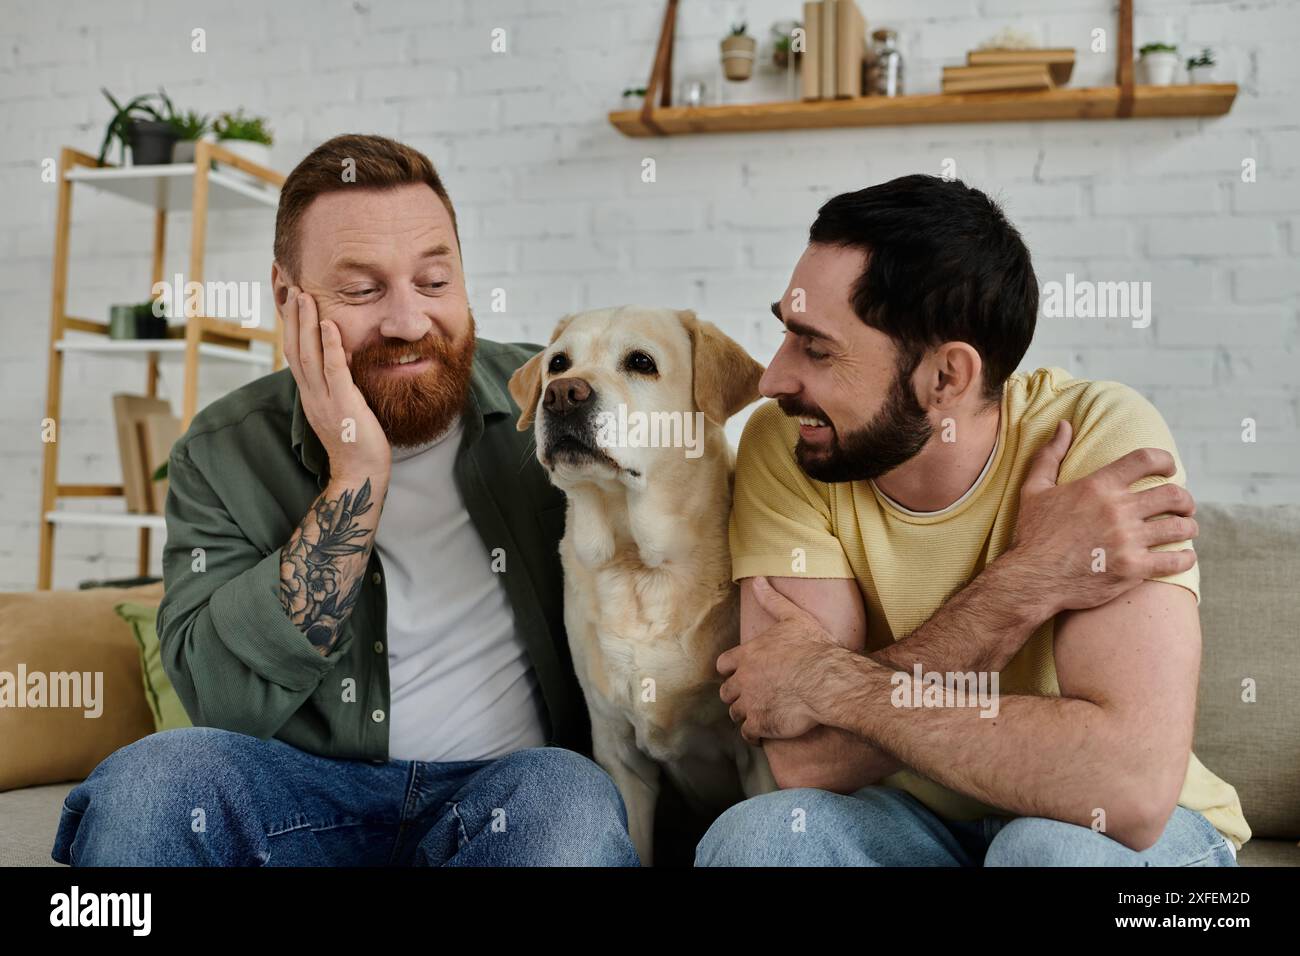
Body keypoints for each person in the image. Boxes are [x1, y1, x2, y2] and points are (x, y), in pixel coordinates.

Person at [52, 134, 637, 867]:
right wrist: (356, 475)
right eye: (361, 291)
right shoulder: (221, 449)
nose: (407, 321)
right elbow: (223, 703)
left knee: (569, 800)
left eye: (433, 282)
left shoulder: (549, 407)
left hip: (507, 792)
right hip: (300, 793)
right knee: (150, 783)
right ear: (287, 298)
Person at [701, 175, 1249, 866]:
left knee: (1045, 854)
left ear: (946, 379)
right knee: (760, 839)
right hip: (910, 821)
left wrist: (835, 683)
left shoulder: (1100, 438)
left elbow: (1129, 788)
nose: (772, 379)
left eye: (814, 348)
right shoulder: (794, 443)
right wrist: (1026, 583)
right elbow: (811, 762)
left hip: (1108, 833)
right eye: (785, 332)